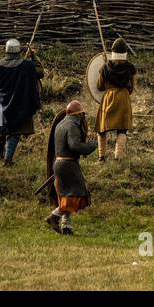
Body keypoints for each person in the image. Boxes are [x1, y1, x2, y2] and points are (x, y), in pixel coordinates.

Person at [0, 37, 41, 165]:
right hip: (19, 106)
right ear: (19, 51)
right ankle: (7, 160)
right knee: (15, 133)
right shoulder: (27, 65)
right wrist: (34, 57)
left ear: (6, 51)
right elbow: (40, 72)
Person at [47, 100, 97, 235]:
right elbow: (75, 146)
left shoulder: (60, 124)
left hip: (58, 164)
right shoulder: (72, 126)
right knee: (77, 195)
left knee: (65, 196)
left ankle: (66, 227)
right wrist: (92, 146)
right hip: (68, 165)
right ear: (79, 115)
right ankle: (54, 216)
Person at [97, 36, 136, 161]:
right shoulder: (130, 68)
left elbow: (99, 86)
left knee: (102, 128)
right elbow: (131, 88)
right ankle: (118, 157)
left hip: (109, 98)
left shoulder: (106, 68)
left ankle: (101, 157)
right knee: (122, 129)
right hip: (124, 98)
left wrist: (104, 70)